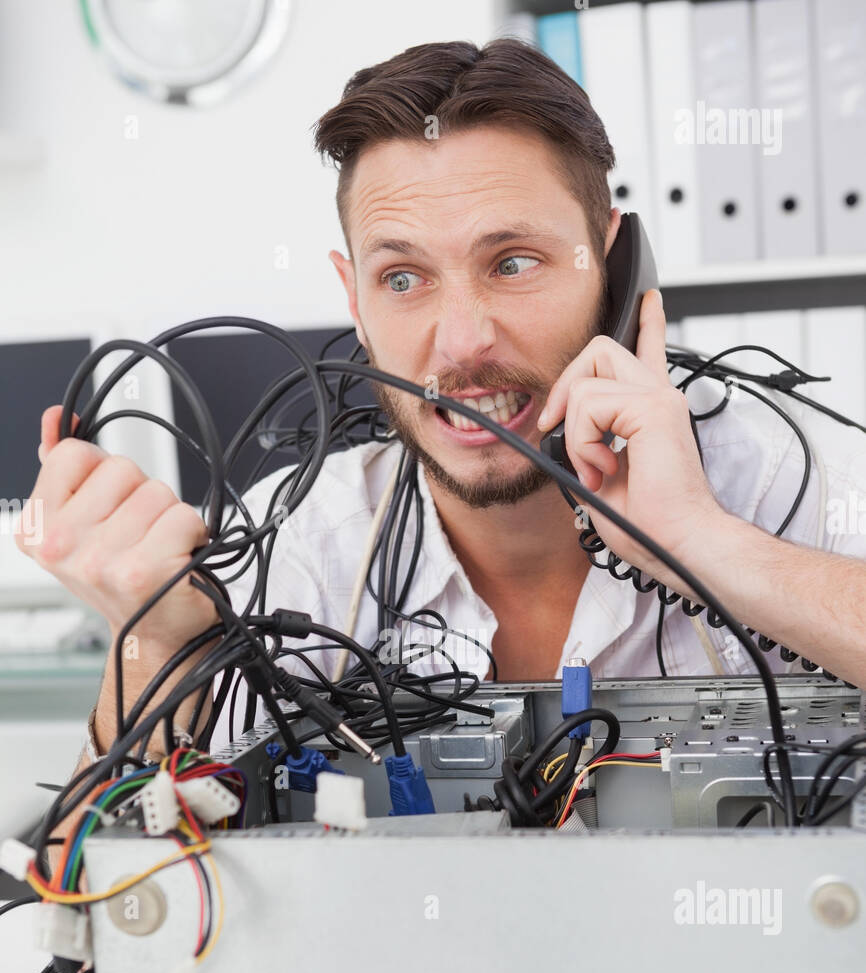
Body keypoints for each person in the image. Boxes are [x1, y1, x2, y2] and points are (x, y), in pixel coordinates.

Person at [18, 38, 866, 857]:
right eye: (402, 278)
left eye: (514, 262)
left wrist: (707, 545)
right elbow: (91, 928)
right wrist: (160, 649)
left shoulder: (785, 478)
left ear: (612, 267)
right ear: (354, 298)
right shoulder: (309, 542)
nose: (461, 342)